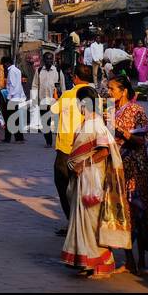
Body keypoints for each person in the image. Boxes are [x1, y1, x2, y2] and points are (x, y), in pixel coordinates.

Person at [60, 86, 131, 278]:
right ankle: (88, 262)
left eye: (79, 102)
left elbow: (104, 150)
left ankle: (103, 264)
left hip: (93, 179)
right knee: (83, 220)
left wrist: (83, 164)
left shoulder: (97, 124)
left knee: (92, 221)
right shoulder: (87, 123)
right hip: (83, 179)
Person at [108, 74, 148, 275]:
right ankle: (128, 259)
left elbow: (142, 141)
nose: (109, 93)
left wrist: (122, 133)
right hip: (118, 168)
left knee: (139, 211)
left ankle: (142, 258)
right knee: (122, 213)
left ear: (124, 90)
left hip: (136, 169)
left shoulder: (137, 110)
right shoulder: (111, 110)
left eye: (112, 89)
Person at [52, 63, 94, 225]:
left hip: (67, 147)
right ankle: (82, 221)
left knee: (63, 183)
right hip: (88, 147)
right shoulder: (95, 93)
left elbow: (54, 110)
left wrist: (56, 98)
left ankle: (73, 221)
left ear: (75, 77)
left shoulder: (69, 94)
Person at [34, 53, 63, 147]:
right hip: (43, 101)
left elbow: (63, 87)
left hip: (55, 102)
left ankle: (60, 141)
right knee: (45, 123)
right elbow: (35, 85)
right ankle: (49, 142)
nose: (48, 61)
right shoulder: (39, 71)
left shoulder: (57, 71)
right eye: (47, 59)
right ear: (43, 60)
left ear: (53, 60)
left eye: (50, 59)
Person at [4, 55, 27, 143]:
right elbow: (18, 85)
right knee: (15, 118)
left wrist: (9, 96)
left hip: (13, 98)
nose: (4, 67)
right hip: (17, 98)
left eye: (4, 65)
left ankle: (10, 138)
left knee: (10, 119)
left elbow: (13, 85)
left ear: (7, 63)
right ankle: (18, 137)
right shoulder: (17, 70)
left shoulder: (11, 71)